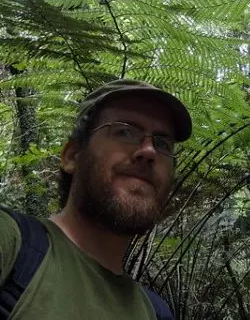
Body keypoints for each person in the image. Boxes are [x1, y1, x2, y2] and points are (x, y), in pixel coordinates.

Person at [0, 79, 192, 319]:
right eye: (125, 131)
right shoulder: (12, 245)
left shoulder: (156, 312)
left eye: (162, 142)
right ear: (72, 157)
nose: (149, 151)